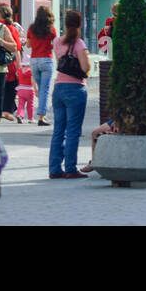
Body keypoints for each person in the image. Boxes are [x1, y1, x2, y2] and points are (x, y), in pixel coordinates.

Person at [49, 9, 90, 179]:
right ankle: (71, 168)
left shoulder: (57, 41)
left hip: (58, 88)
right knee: (73, 131)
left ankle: (55, 169)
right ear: (80, 25)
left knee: (58, 131)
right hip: (75, 89)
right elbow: (86, 68)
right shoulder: (79, 44)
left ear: (65, 24)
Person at [27, 7, 56, 128]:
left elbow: (28, 45)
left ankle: (41, 113)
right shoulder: (51, 29)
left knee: (40, 89)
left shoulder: (31, 28)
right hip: (46, 59)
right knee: (44, 89)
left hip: (34, 60)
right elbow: (54, 44)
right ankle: (41, 116)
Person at [0, 5, 24, 121]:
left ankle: (5, 108)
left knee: (0, 86)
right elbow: (17, 48)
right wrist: (19, 64)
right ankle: (8, 109)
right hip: (10, 61)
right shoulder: (12, 28)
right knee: (11, 86)